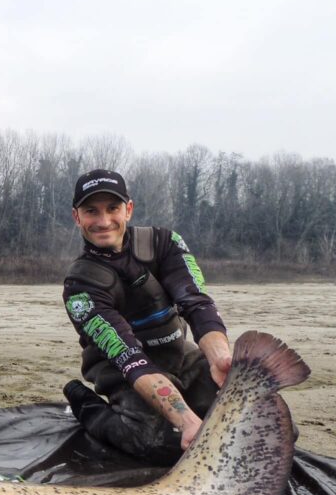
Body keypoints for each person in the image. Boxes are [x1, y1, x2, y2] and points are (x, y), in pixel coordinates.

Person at [61, 168, 232, 465]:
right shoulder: (80, 286)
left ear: (128, 209)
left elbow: (198, 304)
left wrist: (221, 360)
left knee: (249, 421)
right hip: (124, 371)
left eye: (112, 208)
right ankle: (85, 404)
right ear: (77, 217)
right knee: (157, 443)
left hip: (181, 356)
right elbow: (130, 358)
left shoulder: (165, 244)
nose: (103, 222)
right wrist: (186, 421)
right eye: (91, 211)